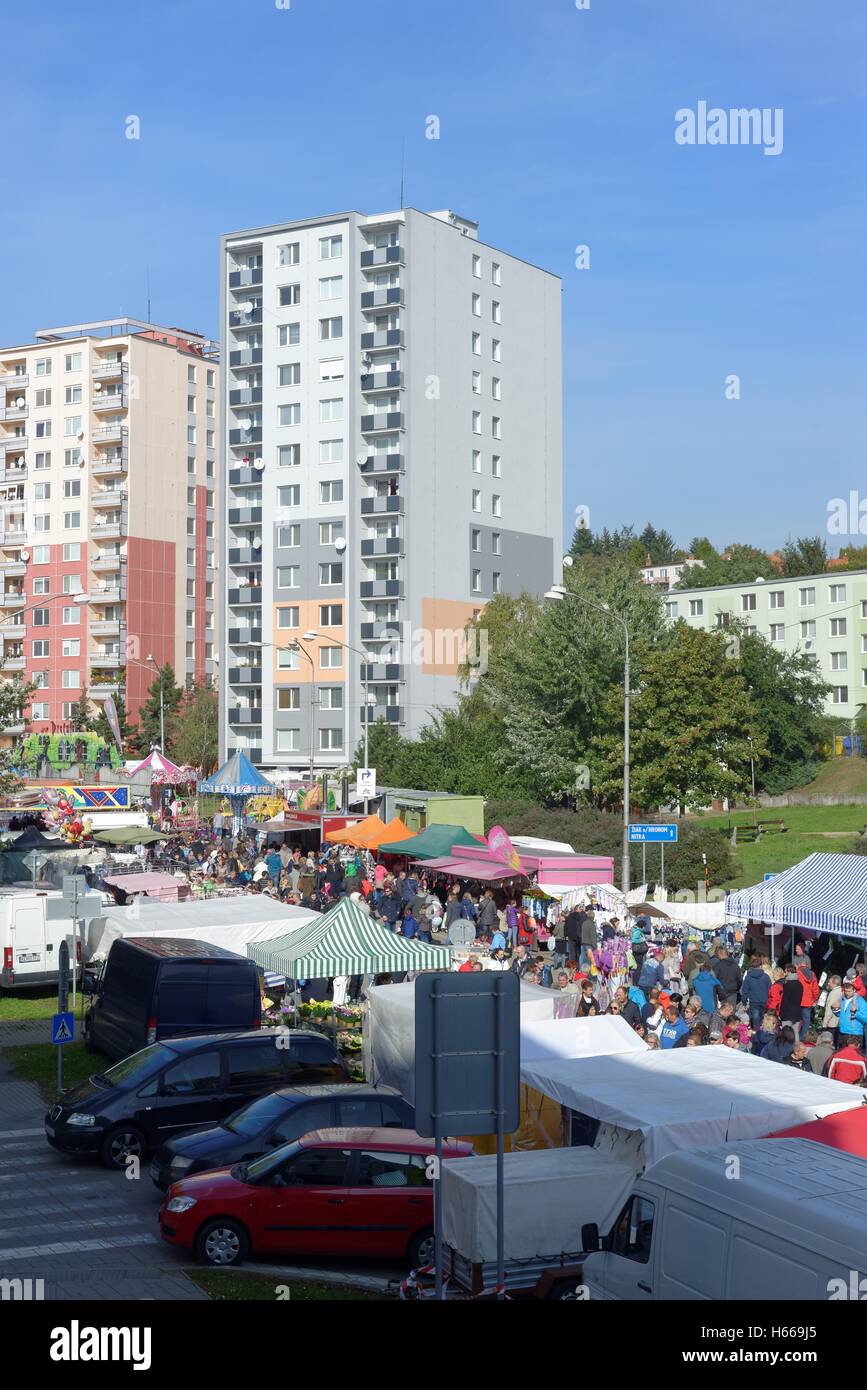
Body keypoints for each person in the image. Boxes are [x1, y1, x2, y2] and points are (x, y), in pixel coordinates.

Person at [833, 974, 867, 1052]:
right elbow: (839, 1015)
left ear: (854, 990)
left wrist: (856, 1013)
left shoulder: (861, 1001)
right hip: (842, 1032)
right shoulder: (842, 999)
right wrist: (834, 1009)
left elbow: (866, 1018)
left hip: (855, 1034)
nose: (847, 993)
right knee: (842, 1055)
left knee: (854, 1057)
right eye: (845, 991)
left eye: (849, 991)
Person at [740, 954, 771, 1031]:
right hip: (765, 1002)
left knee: (756, 1021)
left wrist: (744, 1003)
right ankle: (764, 1035)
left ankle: (757, 1035)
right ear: (760, 966)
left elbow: (745, 991)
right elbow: (770, 990)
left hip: (754, 1002)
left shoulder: (748, 977)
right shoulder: (766, 977)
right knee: (764, 1021)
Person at [795, 958, 820, 1037]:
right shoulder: (812, 974)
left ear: (798, 964)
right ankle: (803, 1037)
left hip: (797, 1000)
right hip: (808, 1001)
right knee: (806, 1021)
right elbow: (815, 989)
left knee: (796, 1020)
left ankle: (795, 1036)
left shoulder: (797, 973)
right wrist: (815, 999)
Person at [779, 968, 804, 1039]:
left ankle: (785, 1048)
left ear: (789, 973)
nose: (785, 974)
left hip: (787, 1012)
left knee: (785, 1033)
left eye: (786, 972)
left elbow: (785, 1000)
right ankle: (797, 1049)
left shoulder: (788, 985)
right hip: (797, 1012)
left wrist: (781, 1013)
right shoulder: (800, 984)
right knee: (795, 1032)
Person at [822, 974, 843, 1047]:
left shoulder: (833, 993)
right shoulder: (841, 991)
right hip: (839, 1022)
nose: (828, 983)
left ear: (834, 983)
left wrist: (824, 1024)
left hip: (832, 1023)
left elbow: (829, 1010)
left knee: (830, 1044)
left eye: (829, 982)